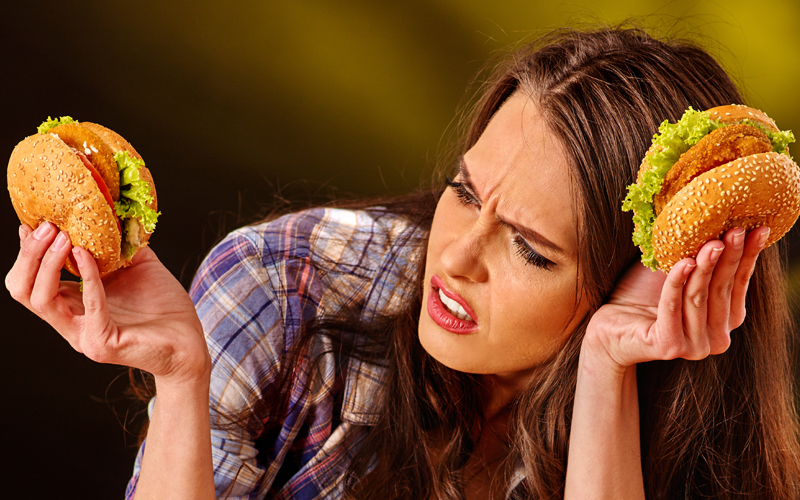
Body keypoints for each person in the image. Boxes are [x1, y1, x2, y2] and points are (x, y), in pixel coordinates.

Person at [6, 25, 800, 500]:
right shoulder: (282, 287)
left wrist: (605, 371)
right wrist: (181, 381)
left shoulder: (685, 412)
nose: (453, 257)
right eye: (464, 190)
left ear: (630, 276)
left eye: (529, 247)